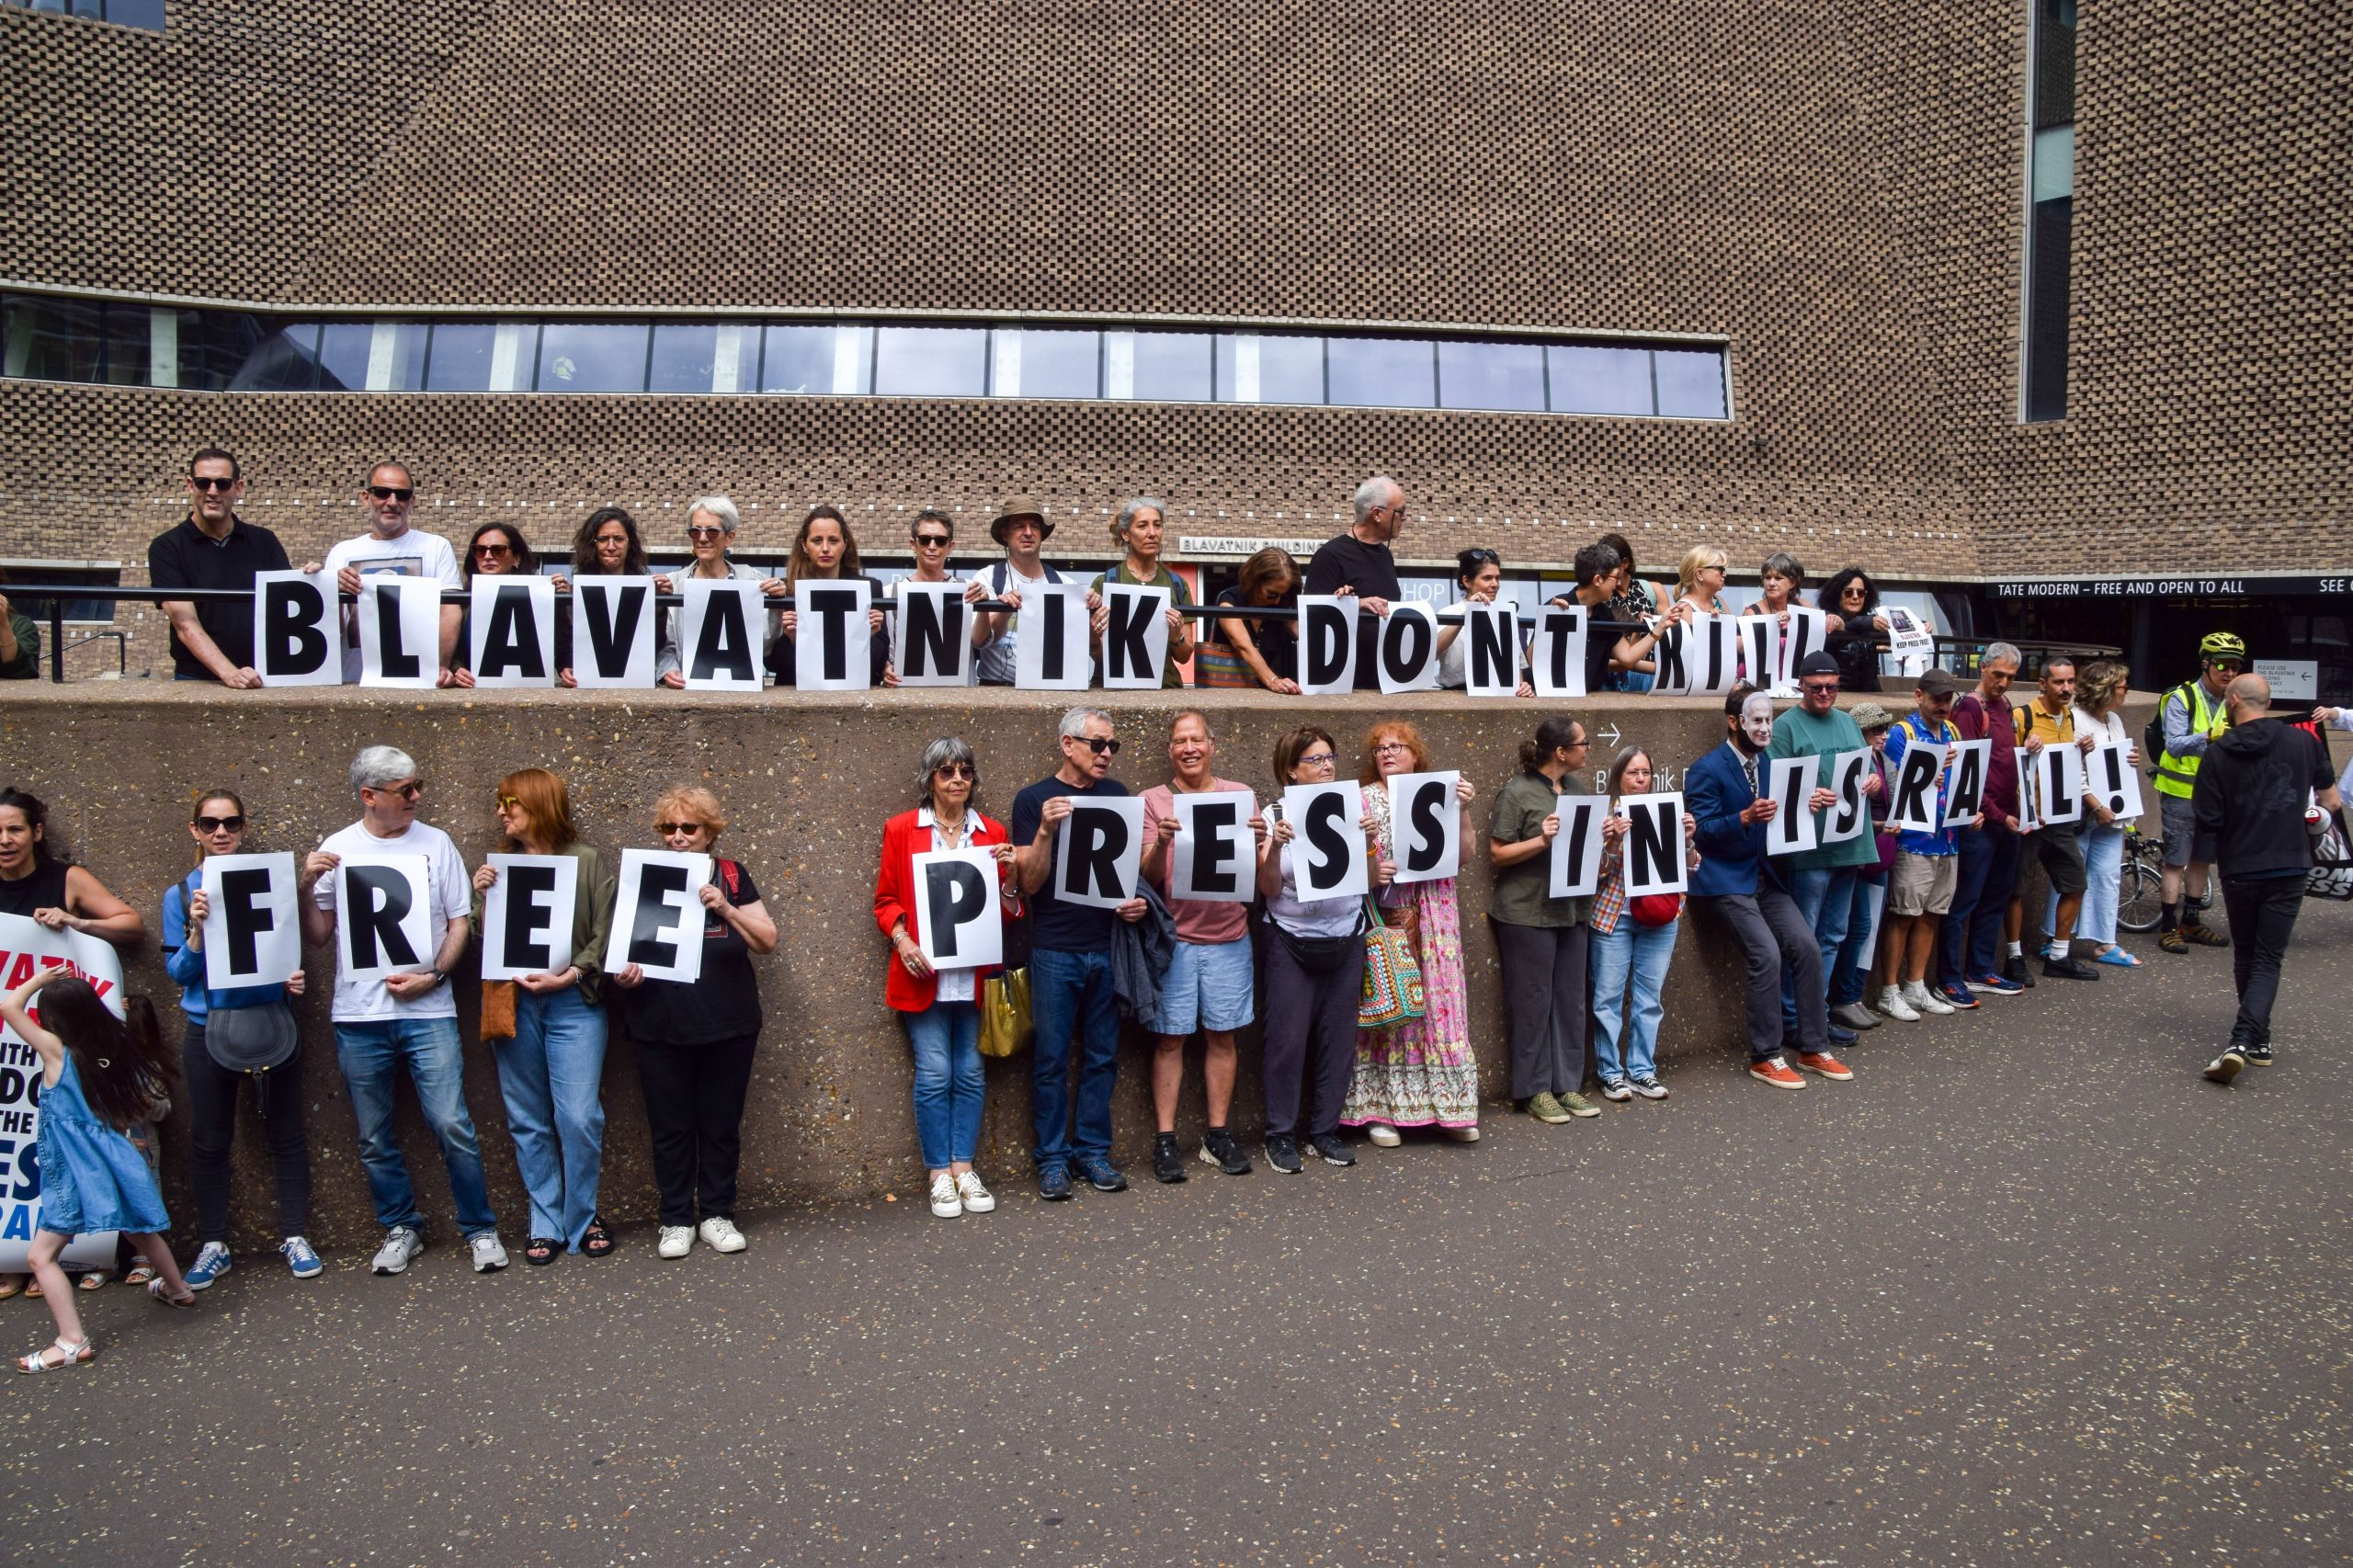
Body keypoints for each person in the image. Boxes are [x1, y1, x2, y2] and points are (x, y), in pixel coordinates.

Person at [301, 746, 506, 1277]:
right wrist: (305, 887)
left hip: (429, 1013)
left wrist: (434, 976)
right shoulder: (337, 848)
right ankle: (401, 1226)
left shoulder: (437, 843)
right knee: (373, 1135)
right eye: (405, 790)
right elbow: (319, 936)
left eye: (418, 786)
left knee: (451, 1123)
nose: (417, 797)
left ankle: (480, 1228)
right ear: (370, 796)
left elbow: (460, 922)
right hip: (359, 1016)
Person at [160, 791, 320, 1287]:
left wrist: (291, 984)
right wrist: (196, 933)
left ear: (244, 828)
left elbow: (284, 954)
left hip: (270, 1024)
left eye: (230, 823)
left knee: (287, 1136)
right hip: (208, 1030)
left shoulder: (267, 884)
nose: (220, 832)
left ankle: (294, 1234)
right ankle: (213, 1242)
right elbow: (178, 973)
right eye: (209, 824)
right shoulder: (181, 895)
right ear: (195, 831)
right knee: (210, 1140)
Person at [608, 788, 776, 1256]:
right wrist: (624, 975)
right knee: (670, 1127)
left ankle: (718, 1215)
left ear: (709, 833)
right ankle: (676, 1218)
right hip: (659, 1024)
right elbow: (620, 951)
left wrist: (725, 906)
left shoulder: (732, 875)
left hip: (729, 1021)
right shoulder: (643, 877)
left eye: (689, 828)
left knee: (721, 1124)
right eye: (669, 828)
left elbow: (767, 940)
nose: (678, 837)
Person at [4, 968, 196, 1371]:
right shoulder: (114, 1053)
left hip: (77, 1169)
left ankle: (72, 1341)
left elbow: (8, 1006)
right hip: (117, 1158)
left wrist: (39, 979)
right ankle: (178, 1290)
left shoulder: (57, 1052)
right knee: (138, 1228)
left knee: (41, 1258)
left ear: (55, 1020)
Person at [0, 788, 147, 1300]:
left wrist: (77, 923)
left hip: (61, 1048)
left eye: (15, 829)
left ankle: (73, 1251)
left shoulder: (66, 879)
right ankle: (12, 1256)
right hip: (9, 1046)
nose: (4, 840)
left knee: (68, 1150)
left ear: (36, 832)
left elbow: (131, 924)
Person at [471, 769, 618, 1264]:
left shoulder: (588, 862)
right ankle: (545, 1221)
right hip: (514, 1003)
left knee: (579, 1117)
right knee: (528, 1119)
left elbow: (606, 934)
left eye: (507, 802)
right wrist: (486, 898)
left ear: (536, 804)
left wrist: (572, 975)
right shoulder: (501, 867)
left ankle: (582, 1215)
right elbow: (486, 942)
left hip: (574, 1004)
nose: (500, 813)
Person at [875, 739, 1017, 1217]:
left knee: (972, 1072)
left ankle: (964, 1168)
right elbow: (885, 900)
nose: (957, 779)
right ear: (930, 779)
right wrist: (902, 939)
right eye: (946, 771)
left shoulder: (991, 831)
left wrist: (1011, 877)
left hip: (974, 975)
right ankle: (938, 1172)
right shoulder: (901, 829)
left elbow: (1009, 914)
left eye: (965, 771)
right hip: (924, 975)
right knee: (935, 1072)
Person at [1012, 709, 1149, 1198]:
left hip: (1107, 945)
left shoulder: (1117, 797)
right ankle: (1052, 1160)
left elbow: (1127, 872)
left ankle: (1093, 1152)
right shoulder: (1032, 800)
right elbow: (1027, 884)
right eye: (1098, 744)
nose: (1107, 754)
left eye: (1113, 746)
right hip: (1055, 948)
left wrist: (1135, 904)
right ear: (1068, 745)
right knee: (1049, 1059)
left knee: (1101, 1058)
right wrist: (1045, 831)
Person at [1687, 687, 1852, 1088]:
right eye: (1757, 720)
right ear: (1735, 722)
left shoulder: (1774, 765)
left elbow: (1782, 825)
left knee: (1808, 947)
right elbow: (1701, 833)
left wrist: (1806, 806)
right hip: (1724, 881)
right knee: (1767, 954)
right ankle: (1766, 1056)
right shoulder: (1707, 768)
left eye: (1769, 720)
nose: (1765, 728)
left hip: (1766, 878)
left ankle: (1814, 1046)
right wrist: (1743, 817)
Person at [2197, 675, 2341, 1083]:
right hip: (2289, 862)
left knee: (2246, 953)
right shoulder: (2303, 742)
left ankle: (2250, 1039)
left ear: (2232, 701)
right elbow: (2330, 802)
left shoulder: (2216, 753)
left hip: (2240, 865)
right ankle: (2251, 1040)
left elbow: (2208, 820)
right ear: (2269, 701)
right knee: (2267, 957)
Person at [1345, 722, 1482, 1143]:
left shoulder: (1440, 793)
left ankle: (1448, 1108)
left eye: (1396, 747)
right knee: (1391, 1009)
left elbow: (1466, 855)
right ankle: (1382, 1112)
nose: (1386, 754)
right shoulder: (1361, 800)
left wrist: (1463, 809)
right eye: (1379, 749)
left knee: (1439, 1008)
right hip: (1389, 915)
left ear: (1416, 754)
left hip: (1436, 917)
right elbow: (1342, 863)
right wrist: (1371, 869)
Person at [1139, 713, 1261, 1181]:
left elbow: (1255, 876)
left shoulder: (1239, 795)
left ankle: (1218, 1134)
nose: (1188, 748)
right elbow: (1146, 878)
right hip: (1174, 940)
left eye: (1196, 740)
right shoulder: (1153, 801)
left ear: (1212, 745)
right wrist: (1159, 844)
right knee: (1170, 1038)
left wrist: (1260, 842)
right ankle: (1166, 1140)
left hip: (1229, 936)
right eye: (1179, 741)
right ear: (1170, 750)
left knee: (1223, 1035)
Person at [1256, 726, 1381, 1174]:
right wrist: (1275, 848)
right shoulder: (1275, 814)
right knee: (1286, 1041)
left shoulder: (1352, 810)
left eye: (1330, 757)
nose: (1327, 766)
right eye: (1315, 760)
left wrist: (1368, 841)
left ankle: (1325, 1130)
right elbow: (1267, 888)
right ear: (1291, 769)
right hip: (1290, 938)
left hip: (1345, 936)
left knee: (1338, 1038)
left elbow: (1368, 882)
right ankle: (1280, 1135)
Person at [1486, 716, 1603, 1121]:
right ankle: (1534, 1089)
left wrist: (1609, 835)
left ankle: (1566, 1084)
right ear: (1561, 752)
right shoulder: (1517, 792)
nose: (1589, 749)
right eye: (1583, 743)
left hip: (1571, 907)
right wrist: (1542, 839)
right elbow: (1498, 853)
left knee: (1570, 1000)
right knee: (1532, 1001)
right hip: (1527, 911)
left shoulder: (1576, 788)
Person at [1766, 651, 1881, 1047]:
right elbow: (1772, 787)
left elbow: (1867, 770)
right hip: (1809, 850)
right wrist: (1804, 797)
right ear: (1801, 684)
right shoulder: (1786, 727)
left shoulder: (1849, 722)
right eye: (1817, 687)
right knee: (1805, 940)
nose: (1825, 693)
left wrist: (1873, 782)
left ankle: (1818, 1013)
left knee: (1833, 934)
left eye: (1832, 687)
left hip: (1849, 844)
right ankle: (1793, 1019)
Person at [1589, 746, 1699, 1098]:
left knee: (1649, 998)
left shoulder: (1667, 813)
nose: (1640, 779)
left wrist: (1687, 841)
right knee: (1607, 997)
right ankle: (1610, 1072)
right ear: (1617, 777)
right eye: (1633, 773)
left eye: (1646, 773)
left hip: (1660, 917)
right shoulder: (1604, 817)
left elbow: (1692, 867)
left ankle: (1642, 1070)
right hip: (1613, 917)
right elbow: (1591, 876)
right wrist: (1612, 842)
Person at [1878, 670, 1981, 1021]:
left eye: (1947, 699)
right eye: (1936, 699)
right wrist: (1925, 778)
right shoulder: (1901, 733)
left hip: (1947, 837)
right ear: (1918, 696)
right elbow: (1892, 787)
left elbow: (1962, 779)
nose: (1943, 705)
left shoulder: (1952, 731)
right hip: (1913, 840)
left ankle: (1916, 984)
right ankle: (1889, 990)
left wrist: (1971, 810)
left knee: (1931, 915)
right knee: (1904, 915)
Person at [147, 447, 292, 686]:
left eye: (223, 484)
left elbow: (288, 600)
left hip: (262, 673)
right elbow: (184, 623)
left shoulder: (264, 540)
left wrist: (318, 579)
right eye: (204, 483)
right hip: (197, 678)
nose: (212, 491)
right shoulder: (167, 547)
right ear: (190, 485)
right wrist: (229, 672)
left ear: (238, 488)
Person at [313, 460, 463, 684]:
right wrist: (320, 585)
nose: (392, 502)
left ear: (412, 501)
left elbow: (450, 611)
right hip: (354, 679)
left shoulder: (436, 547)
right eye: (382, 493)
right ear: (366, 498)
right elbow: (327, 622)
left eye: (401, 495)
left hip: (417, 678)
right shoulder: (342, 551)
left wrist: (439, 665)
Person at [1939, 643, 2027, 1006]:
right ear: (1983, 669)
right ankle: (1949, 977)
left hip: (2008, 819)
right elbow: (1966, 771)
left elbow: (2007, 759)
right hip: (1981, 821)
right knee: (1964, 901)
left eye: (2010, 677)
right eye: (1998, 675)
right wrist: (1996, 813)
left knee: (1995, 897)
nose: (2003, 683)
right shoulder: (1971, 708)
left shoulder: (2004, 707)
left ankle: (1980, 969)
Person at [2155, 631, 2245, 954]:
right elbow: (2174, 744)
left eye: (2235, 666)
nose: (2229, 672)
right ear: (2205, 663)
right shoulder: (2182, 698)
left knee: (2201, 860)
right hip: (2180, 791)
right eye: (2222, 665)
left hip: (2215, 794)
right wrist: (2208, 736)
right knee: (2176, 861)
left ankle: (2190, 922)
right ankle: (2168, 928)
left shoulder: (2233, 699)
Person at [2011, 654, 2099, 980]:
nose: (2066, 688)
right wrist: (2026, 747)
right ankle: (2014, 956)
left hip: (2060, 817)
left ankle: (2059, 956)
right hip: (2028, 819)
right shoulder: (2023, 717)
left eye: (2071, 681)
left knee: (2076, 883)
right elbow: (2007, 763)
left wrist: (2083, 750)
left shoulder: (2071, 718)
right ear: (2042, 684)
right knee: (2016, 890)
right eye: (2059, 682)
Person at [2049, 659, 2141, 967]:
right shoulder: (2074, 719)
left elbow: (2112, 763)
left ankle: (2105, 942)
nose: (2126, 689)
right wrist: (2096, 805)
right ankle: (2053, 938)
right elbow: (2075, 771)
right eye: (2121, 685)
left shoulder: (2113, 719)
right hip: (2084, 815)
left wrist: (2131, 760)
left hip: (2112, 813)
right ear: (2105, 689)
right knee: (2068, 878)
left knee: (2107, 877)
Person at [654, 496, 785, 687]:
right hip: (687, 689)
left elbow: (764, 644)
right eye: (695, 531)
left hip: (740, 690)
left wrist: (776, 604)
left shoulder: (754, 582)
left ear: (729, 538)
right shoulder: (673, 584)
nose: (703, 538)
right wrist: (669, 670)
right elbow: (666, 643)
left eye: (712, 532)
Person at [1827, 703, 1899, 1028]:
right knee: (1853, 929)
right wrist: (1882, 825)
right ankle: (1843, 997)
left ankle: (1853, 995)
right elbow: (1847, 815)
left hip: (1880, 858)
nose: (1883, 736)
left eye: (1884, 730)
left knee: (1865, 930)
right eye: (1876, 731)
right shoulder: (1854, 765)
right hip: (1859, 858)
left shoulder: (1885, 762)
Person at [768, 505, 889, 687]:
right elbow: (772, 663)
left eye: (833, 540)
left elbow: (878, 661)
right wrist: (792, 640)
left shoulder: (869, 588)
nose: (825, 548)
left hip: (852, 693)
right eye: (817, 540)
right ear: (804, 545)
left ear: (845, 544)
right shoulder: (785, 590)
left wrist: (868, 637)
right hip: (798, 696)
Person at [1303, 476, 1405, 690]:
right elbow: (1310, 619)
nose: (1404, 518)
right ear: (1376, 514)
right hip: (1348, 682)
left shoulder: (1385, 555)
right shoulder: (1330, 555)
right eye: (1400, 512)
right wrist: (1353, 604)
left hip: (1386, 677)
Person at [1089, 498, 1197, 688]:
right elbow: (1099, 657)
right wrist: (1094, 637)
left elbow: (1185, 656)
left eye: (1157, 525)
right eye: (1142, 526)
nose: (1152, 533)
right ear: (1125, 534)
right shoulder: (1105, 582)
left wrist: (1175, 636)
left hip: (1165, 687)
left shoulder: (1178, 585)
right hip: (1112, 689)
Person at [880, 508, 989, 687]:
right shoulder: (890, 592)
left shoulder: (968, 588)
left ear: (950, 547)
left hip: (957, 697)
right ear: (913, 544)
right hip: (905, 694)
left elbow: (979, 640)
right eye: (924, 540)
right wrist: (885, 669)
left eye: (940, 540)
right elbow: (886, 650)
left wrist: (983, 606)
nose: (932, 546)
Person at [973, 498, 1077, 687]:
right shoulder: (987, 578)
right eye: (1020, 527)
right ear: (1005, 534)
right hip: (996, 690)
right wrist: (1004, 611)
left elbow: (1076, 644)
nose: (1028, 533)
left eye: (1034, 527)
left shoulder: (1066, 585)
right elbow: (979, 640)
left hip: (1050, 687)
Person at [551, 506, 652, 686]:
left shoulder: (645, 592)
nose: (611, 547)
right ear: (592, 544)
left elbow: (657, 643)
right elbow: (563, 644)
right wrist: (565, 667)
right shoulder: (572, 593)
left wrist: (659, 607)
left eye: (618, 539)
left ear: (630, 544)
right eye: (603, 539)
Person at [447, 522, 540, 687]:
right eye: (480, 550)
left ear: (516, 558)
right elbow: (452, 646)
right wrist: (457, 669)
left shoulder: (540, 597)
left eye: (498, 550)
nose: (488, 556)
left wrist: (559, 599)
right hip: (473, 689)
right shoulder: (461, 601)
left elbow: (559, 646)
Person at [1197, 546, 1301, 693]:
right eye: (1272, 594)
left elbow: (1305, 634)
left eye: (1282, 595)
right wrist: (1273, 681)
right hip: (1227, 694)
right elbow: (1244, 646)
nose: (1277, 601)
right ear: (1255, 581)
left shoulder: (1282, 605)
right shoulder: (1230, 601)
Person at [1436, 548, 1533, 695]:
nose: (1495, 584)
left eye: (1497, 578)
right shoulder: (1449, 613)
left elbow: (1516, 668)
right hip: (1457, 694)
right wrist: (1465, 615)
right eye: (1487, 578)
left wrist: (1523, 687)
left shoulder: (1505, 615)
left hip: (1501, 697)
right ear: (1467, 581)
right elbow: (1432, 652)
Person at [1598, 531, 1670, 692]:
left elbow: (1668, 635)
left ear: (1625, 563)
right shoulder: (1602, 596)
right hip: (1618, 676)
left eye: (1611, 564)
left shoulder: (1653, 589)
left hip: (1654, 673)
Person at [1819, 568, 1890, 692]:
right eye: (1848, 592)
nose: (1855, 597)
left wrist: (1922, 625)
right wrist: (1865, 623)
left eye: (1861, 593)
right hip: (1835, 697)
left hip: (1868, 697)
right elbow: (1847, 629)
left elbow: (1895, 627)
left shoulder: (1870, 623)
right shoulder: (1827, 619)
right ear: (1837, 595)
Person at [1671, 545, 1733, 619]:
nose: (1724, 574)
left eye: (1724, 570)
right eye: (1720, 569)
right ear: (1699, 574)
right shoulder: (1683, 609)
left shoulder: (1718, 600)